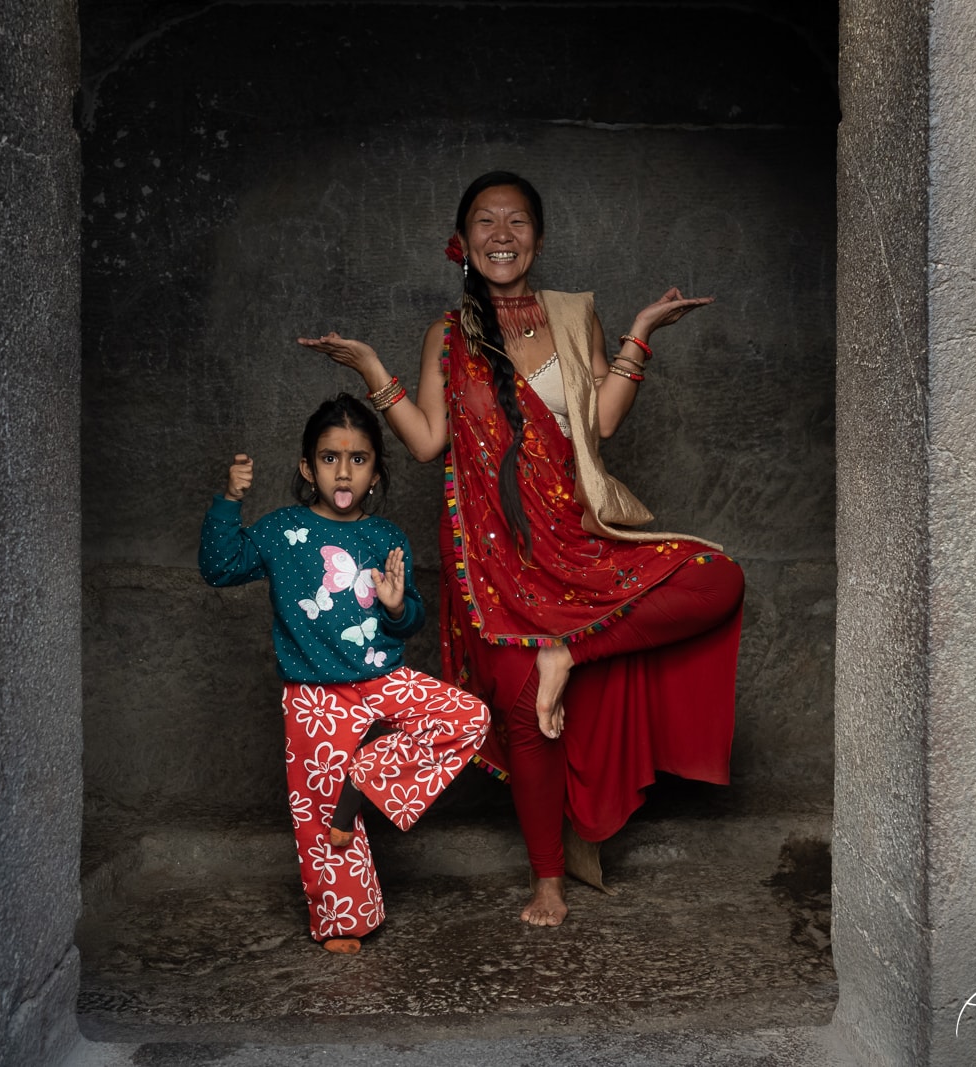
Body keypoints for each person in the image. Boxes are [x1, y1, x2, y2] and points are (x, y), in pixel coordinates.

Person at [298, 171, 745, 928]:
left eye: (516, 220)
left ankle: (566, 653)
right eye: (484, 219)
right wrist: (375, 370)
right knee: (519, 708)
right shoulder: (448, 333)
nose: (501, 232)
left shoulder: (575, 317)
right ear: (463, 239)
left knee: (716, 579)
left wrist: (638, 331)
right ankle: (548, 880)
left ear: (537, 238)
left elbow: (596, 423)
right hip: (496, 561)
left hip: (576, 541)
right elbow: (430, 442)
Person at [198, 393, 491, 953]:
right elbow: (218, 568)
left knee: (469, 717)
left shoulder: (386, 538)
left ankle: (363, 780)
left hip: (382, 679)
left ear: (376, 471)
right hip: (314, 695)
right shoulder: (280, 531)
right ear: (309, 468)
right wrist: (229, 501)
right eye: (330, 457)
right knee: (316, 813)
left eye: (358, 459)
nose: (343, 469)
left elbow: (412, 621)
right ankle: (343, 921)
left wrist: (398, 606)